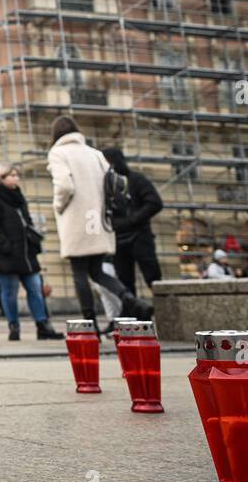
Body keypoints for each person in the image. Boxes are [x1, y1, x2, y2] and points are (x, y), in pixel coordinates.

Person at [46, 115, 140, 332]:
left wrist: (58, 206)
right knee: (97, 271)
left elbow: (64, 186)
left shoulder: (58, 153)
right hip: (98, 220)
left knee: (79, 271)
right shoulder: (96, 154)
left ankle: (90, 324)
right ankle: (129, 298)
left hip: (76, 220)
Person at [0, 162, 63, 341]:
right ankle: (13, 326)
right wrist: (6, 247)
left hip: (27, 254)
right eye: (12, 175)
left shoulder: (19, 198)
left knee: (35, 289)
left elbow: (27, 222)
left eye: (17, 175)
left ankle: (43, 326)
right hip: (7, 256)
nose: (16, 178)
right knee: (10, 292)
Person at [100, 147, 163, 299]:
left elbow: (154, 203)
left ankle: (165, 312)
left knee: (153, 278)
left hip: (140, 236)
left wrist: (132, 220)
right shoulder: (105, 185)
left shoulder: (137, 179)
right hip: (119, 239)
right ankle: (132, 316)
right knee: (125, 282)